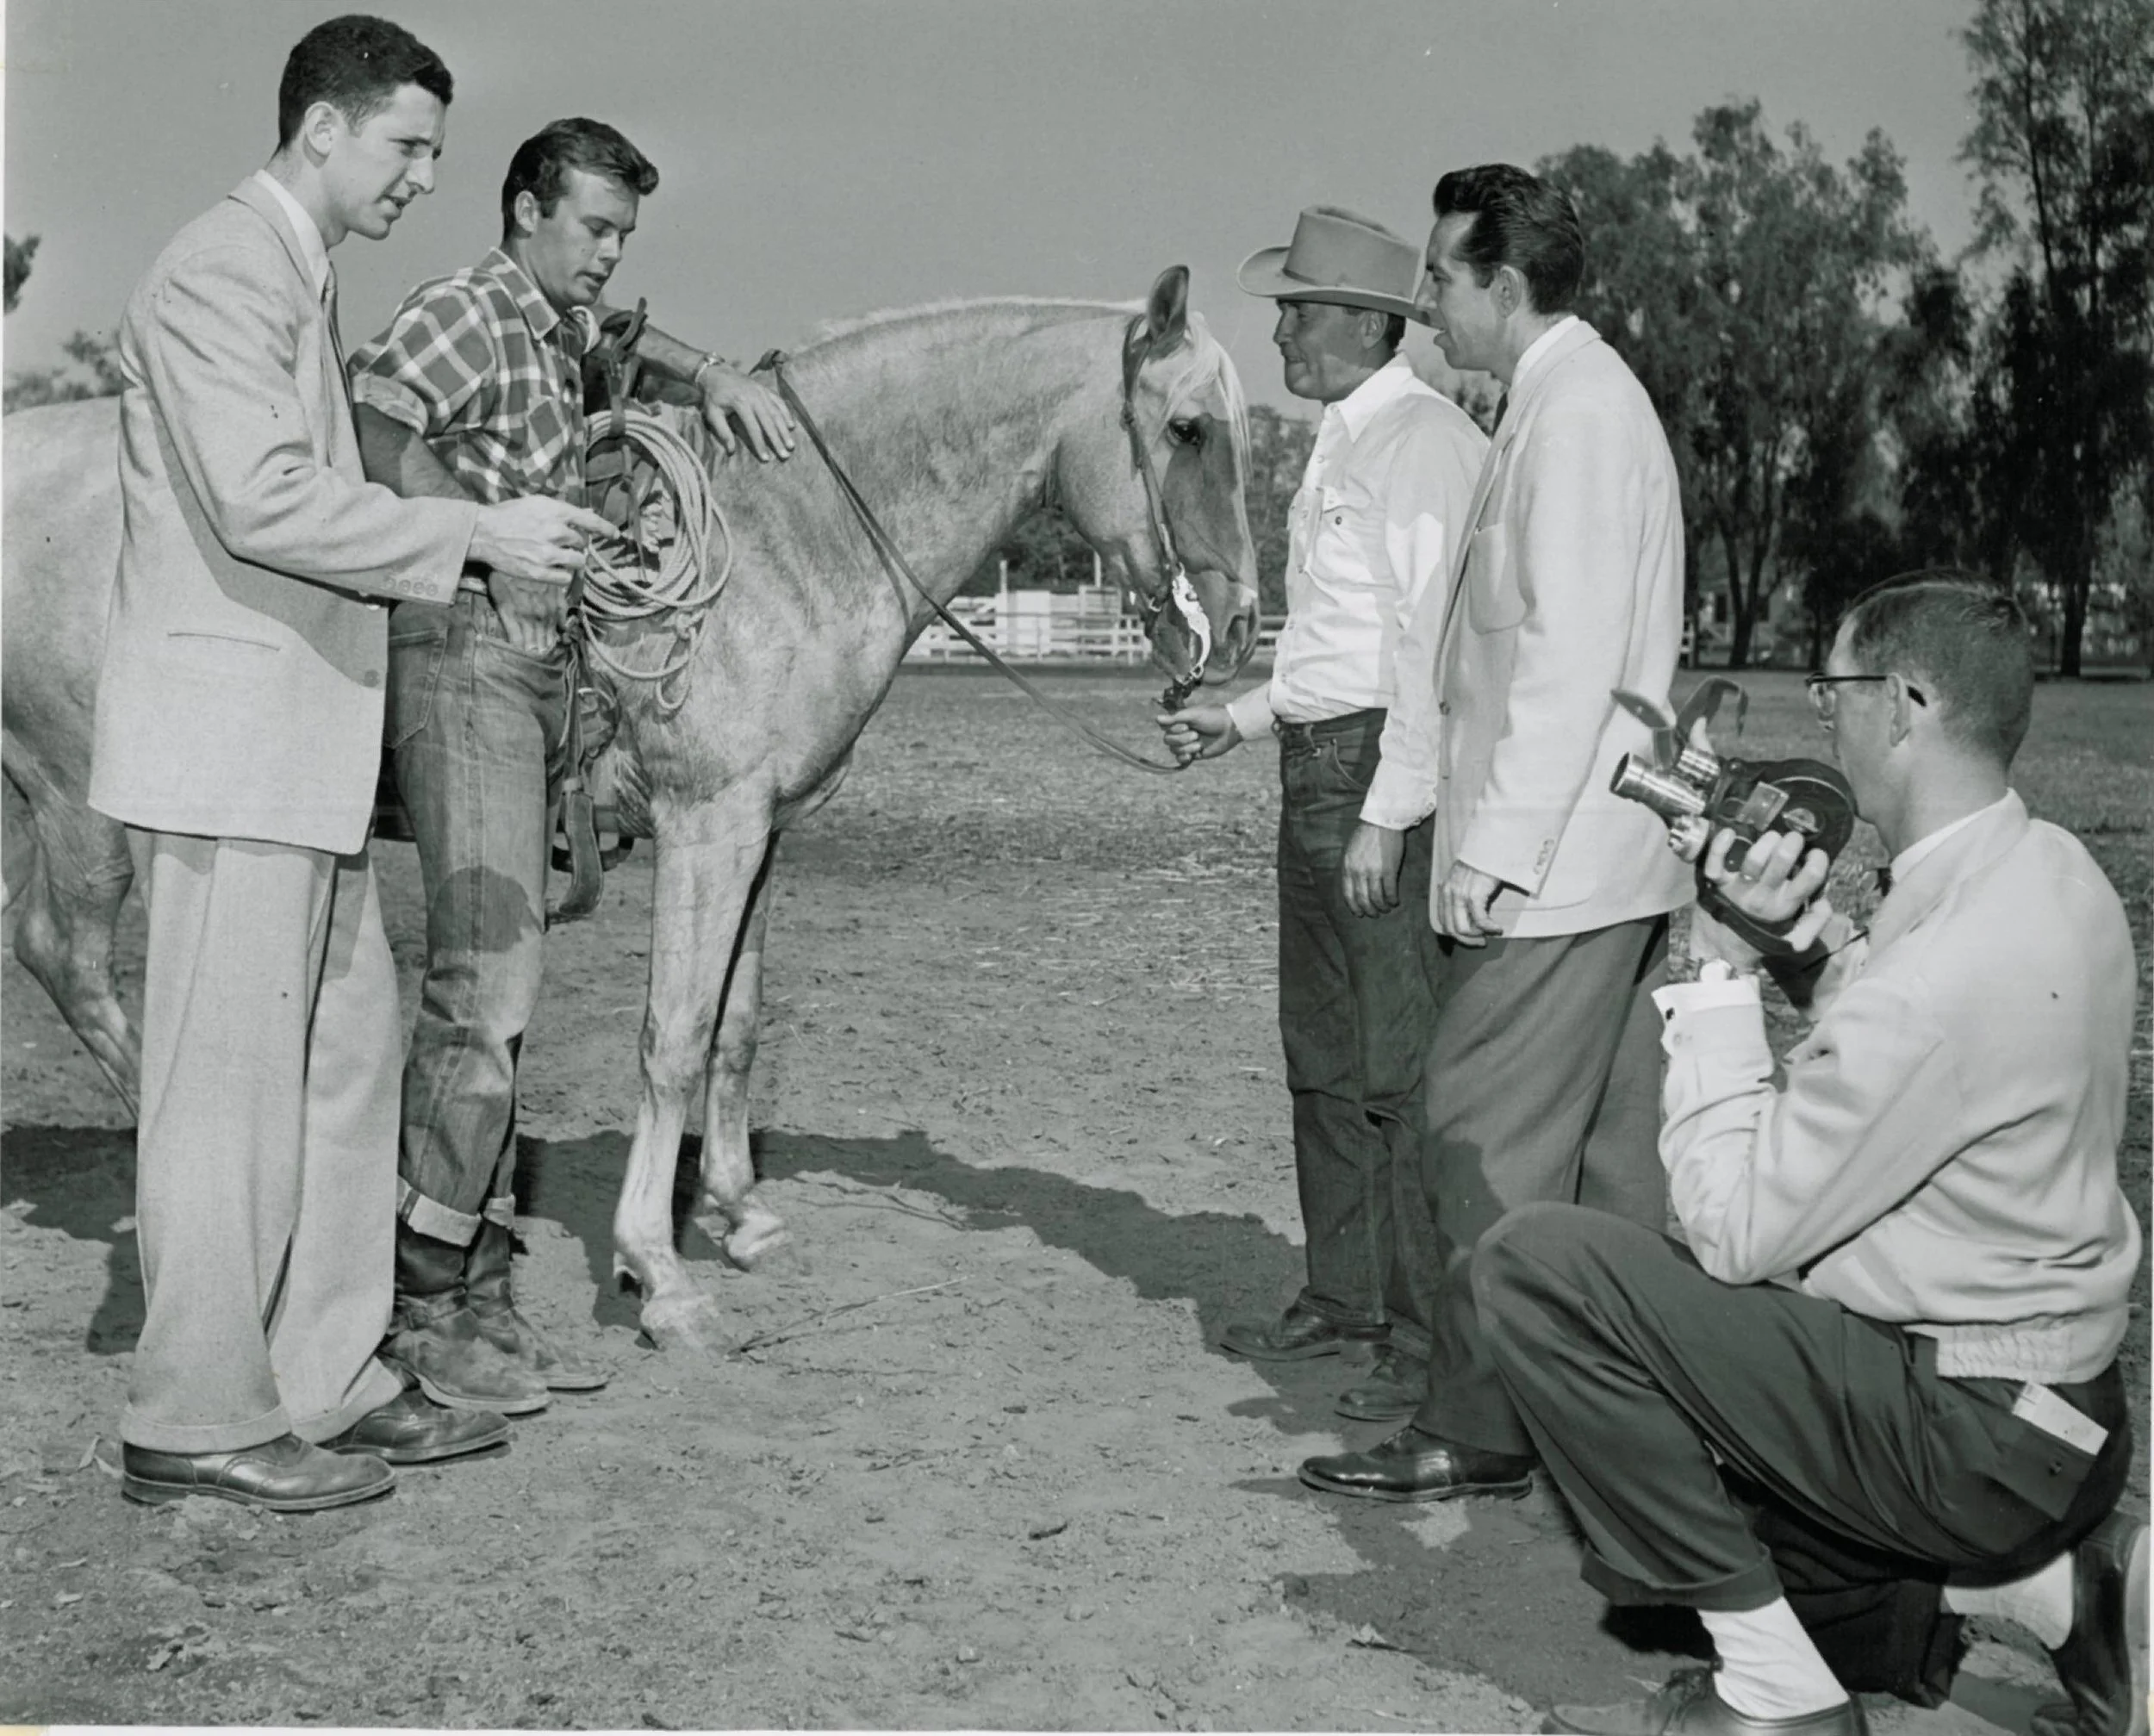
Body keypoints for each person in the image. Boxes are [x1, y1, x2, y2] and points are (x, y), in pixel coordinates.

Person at [1470, 572, 2146, 1736]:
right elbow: (1925, 1040)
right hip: (2067, 1411)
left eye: (1833, 692)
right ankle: (2059, 1591)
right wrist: (1803, 941)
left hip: (1971, 1438)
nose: (1821, 716)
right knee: (1689, 1558)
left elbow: (1734, 1228)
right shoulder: (2049, 874)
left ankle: (1783, 1699)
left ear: (1907, 701)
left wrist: (1720, 959)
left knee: (1537, 1275)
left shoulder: (1947, 968)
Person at [90, 15, 610, 1512]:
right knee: (226, 1094)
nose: (423, 177)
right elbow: (263, 501)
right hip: (230, 755)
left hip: (293, 753)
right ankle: (192, 1414)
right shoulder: (219, 268)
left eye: (435, 151)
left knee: (344, 1064)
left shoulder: (296, 281)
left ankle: (321, 1374)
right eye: (407, 147)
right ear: (322, 128)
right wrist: (477, 533)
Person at [350, 118, 797, 1413]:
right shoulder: (471, 310)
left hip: (529, 664)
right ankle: (427, 1298)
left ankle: (471, 1266)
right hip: (464, 649)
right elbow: (374, 423)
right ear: (526, 208)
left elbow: (623, 342)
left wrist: (709, 373)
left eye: (622, 236)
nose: (607, 254)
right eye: (593, 228)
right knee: (483, 980)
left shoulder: (552, 332)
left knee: (509, 977)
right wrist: (485, 540)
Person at [1298, 164, 1692, 1503]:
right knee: (1612, 1174)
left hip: (1559, 868)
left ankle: (1476, 1428)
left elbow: (1566, 659)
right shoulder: (1561, 404)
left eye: (1440, 278)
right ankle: (1621, 1427)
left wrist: (1491, 855)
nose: (1427, 302)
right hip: (1600, 862)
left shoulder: (1578, 416)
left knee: (1476, 1146)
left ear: (1502, 288)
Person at [1158, 207, 1485, 1420]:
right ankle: (1344, 1298)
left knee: (1398, 1069)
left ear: (1366, 321)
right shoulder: (1348, 442)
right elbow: (1339, 642)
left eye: (1300, 309)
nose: (1285, 330)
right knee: (1324, 1058)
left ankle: (1417, 1338)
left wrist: (1388, 815)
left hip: (1374, 781)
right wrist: (1241, 720)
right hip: (1320, 764)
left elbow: (1428, 652)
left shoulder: (1427, 446)